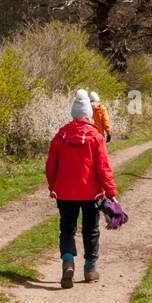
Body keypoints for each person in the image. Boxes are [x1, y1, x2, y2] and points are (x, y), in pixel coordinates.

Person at [45, 91, 118, 288]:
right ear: (88, 115)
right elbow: (103, 168)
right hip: (91, 193)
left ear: (73, 114)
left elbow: (51, 166)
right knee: (91, 230)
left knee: (67, 229)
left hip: (65, 193)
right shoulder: (96, 136)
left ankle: (68, 261)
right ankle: (90, 268)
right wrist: (111, 193)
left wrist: (54, 187)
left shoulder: (61, 135)